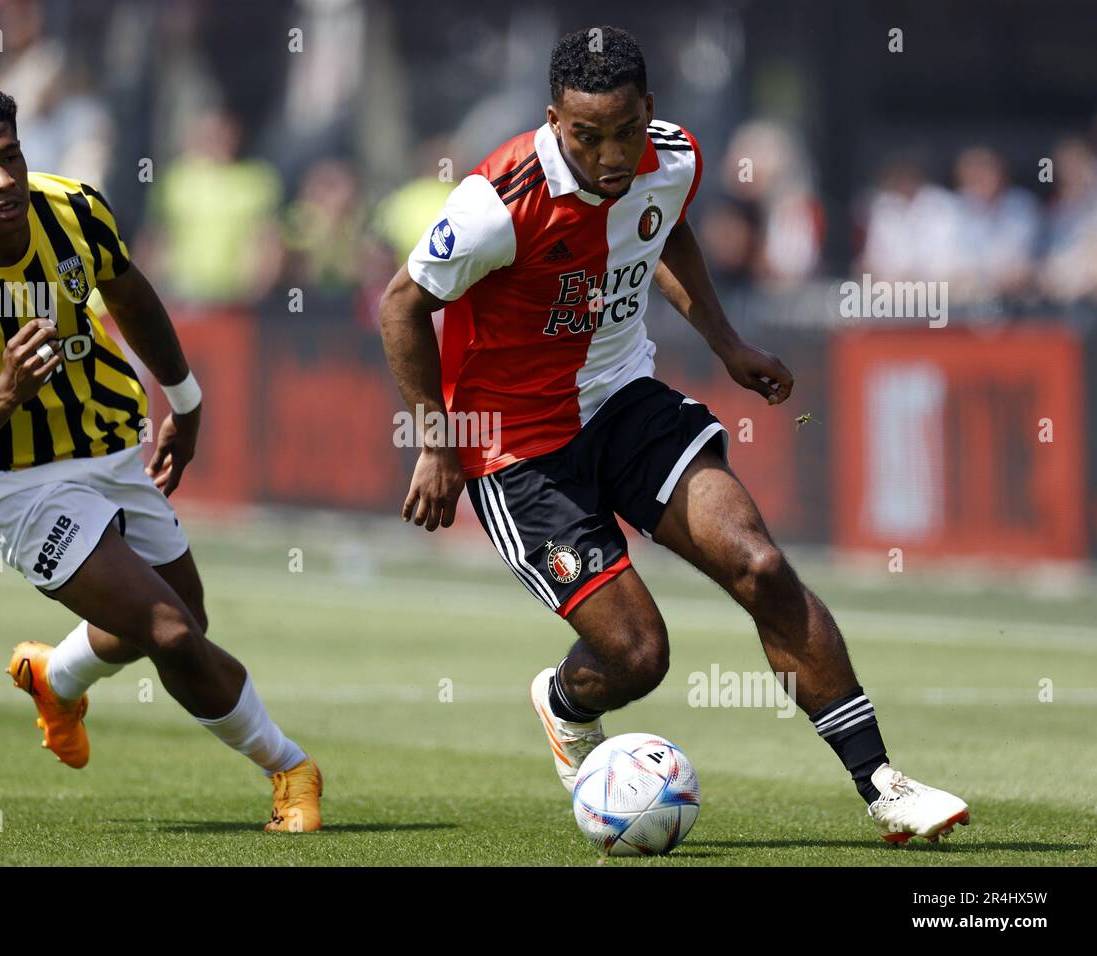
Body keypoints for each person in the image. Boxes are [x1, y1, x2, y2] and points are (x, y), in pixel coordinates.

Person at [378, 27, 968, 843]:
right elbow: (402, 303)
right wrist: (437, 442)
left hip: (623, 401)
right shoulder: (497, 200)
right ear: (555, 120)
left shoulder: (675, 158)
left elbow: (664, 230)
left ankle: (884, 786)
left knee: (760, 565)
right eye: (586, 135)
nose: (610, 154)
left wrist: (727, 345)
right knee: (637, 658)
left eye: (624, 130)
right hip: (518, 449)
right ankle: (564, 700)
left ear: (648, 111)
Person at [0, 84, 321, 833]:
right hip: (8, 480)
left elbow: (131, 295)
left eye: (10, 157)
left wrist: (185, 398)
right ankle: (291, 768)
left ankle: (57, 675)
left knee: (187, 621)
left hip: (110, 442)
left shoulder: (74, 209)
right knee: (172, 634)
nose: (4, 180)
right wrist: (3, 395)